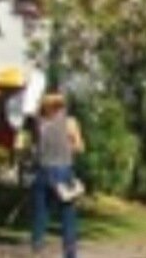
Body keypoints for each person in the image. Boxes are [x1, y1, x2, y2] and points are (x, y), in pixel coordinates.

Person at [31, 92, 85, 258]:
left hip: (43, 170)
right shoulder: (70, 123)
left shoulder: (39, 123)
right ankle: (69, 252)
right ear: (60, 107)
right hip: (63, 170)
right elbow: (80, 147)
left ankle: (37, 244)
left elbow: (36, 147)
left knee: (41, 211)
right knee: (68, 213)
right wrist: (69, 146)